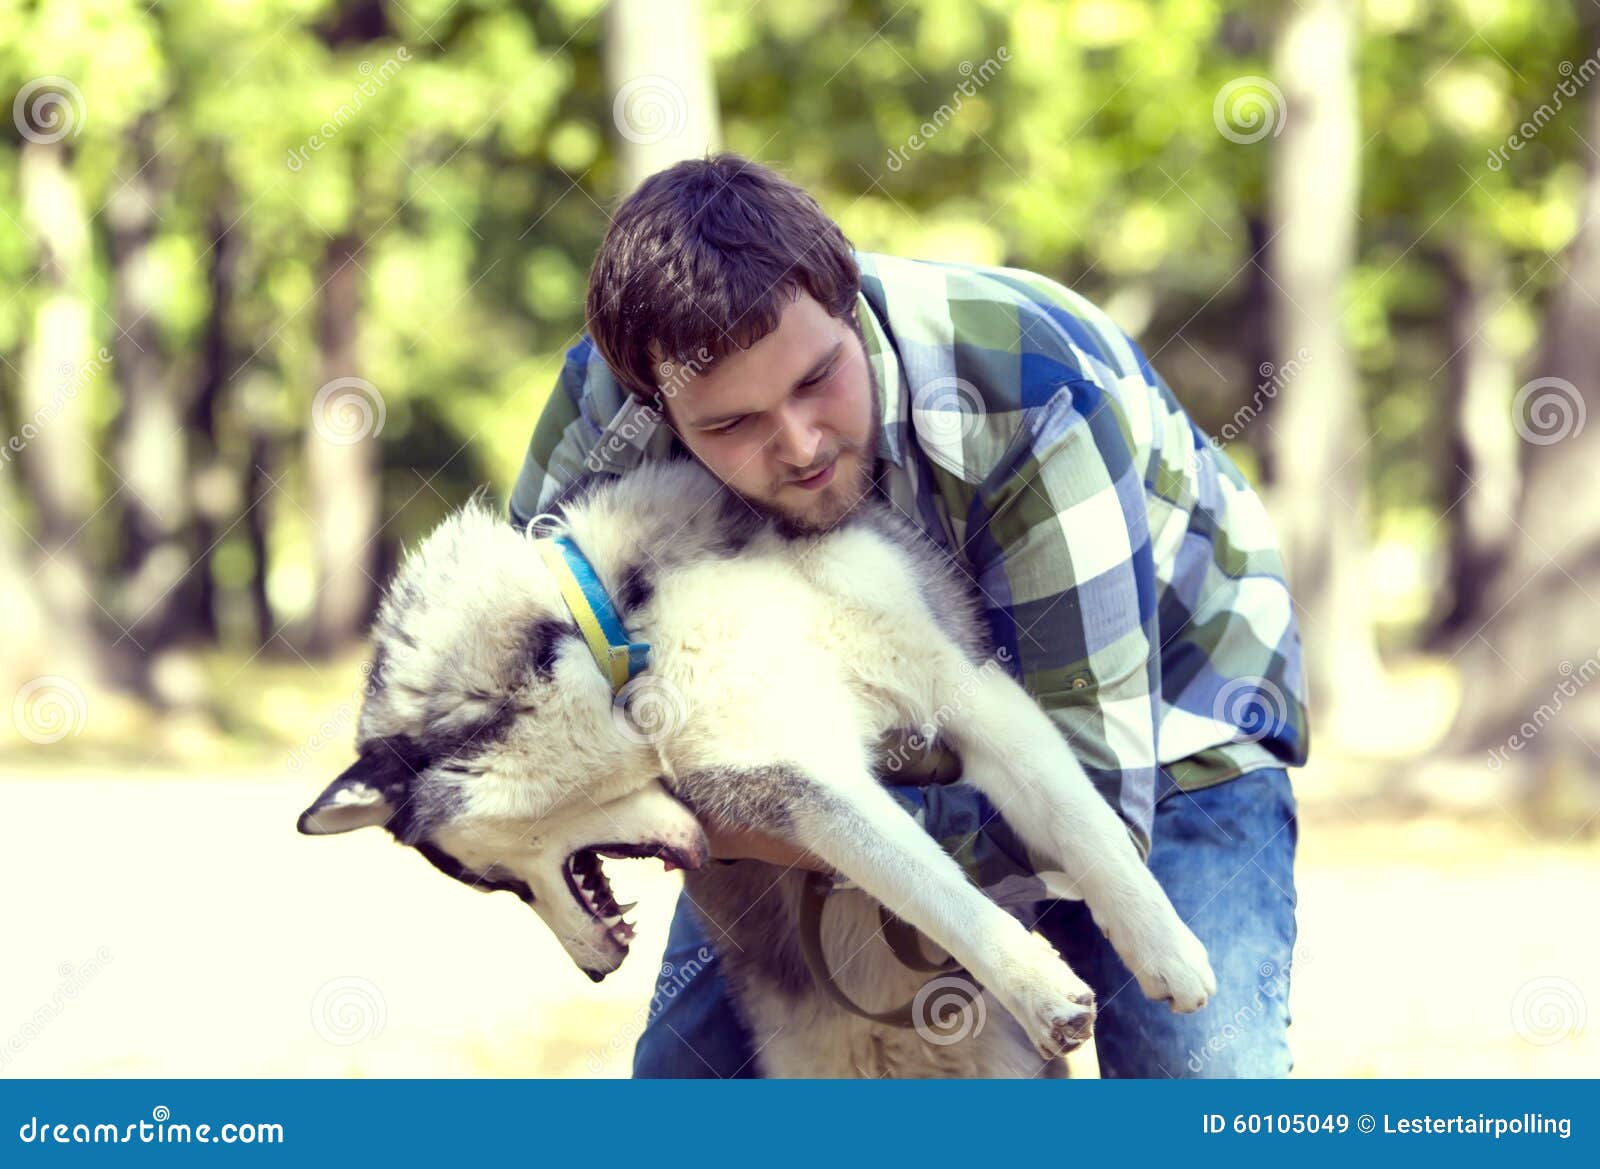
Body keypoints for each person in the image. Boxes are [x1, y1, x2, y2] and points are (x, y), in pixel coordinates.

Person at [507, 153, 1307, 1078]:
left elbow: (1098, 796)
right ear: (656, 407)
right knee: (687, 1084)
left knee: (1198, 1079)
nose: (799, 445)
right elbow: (545, 701)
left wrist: (748, 819)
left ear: (847, 301)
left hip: (1166, 708)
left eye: (817, 381)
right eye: (731, 425)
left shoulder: (1033, 393)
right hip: (822, 741)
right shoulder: (604, 412)